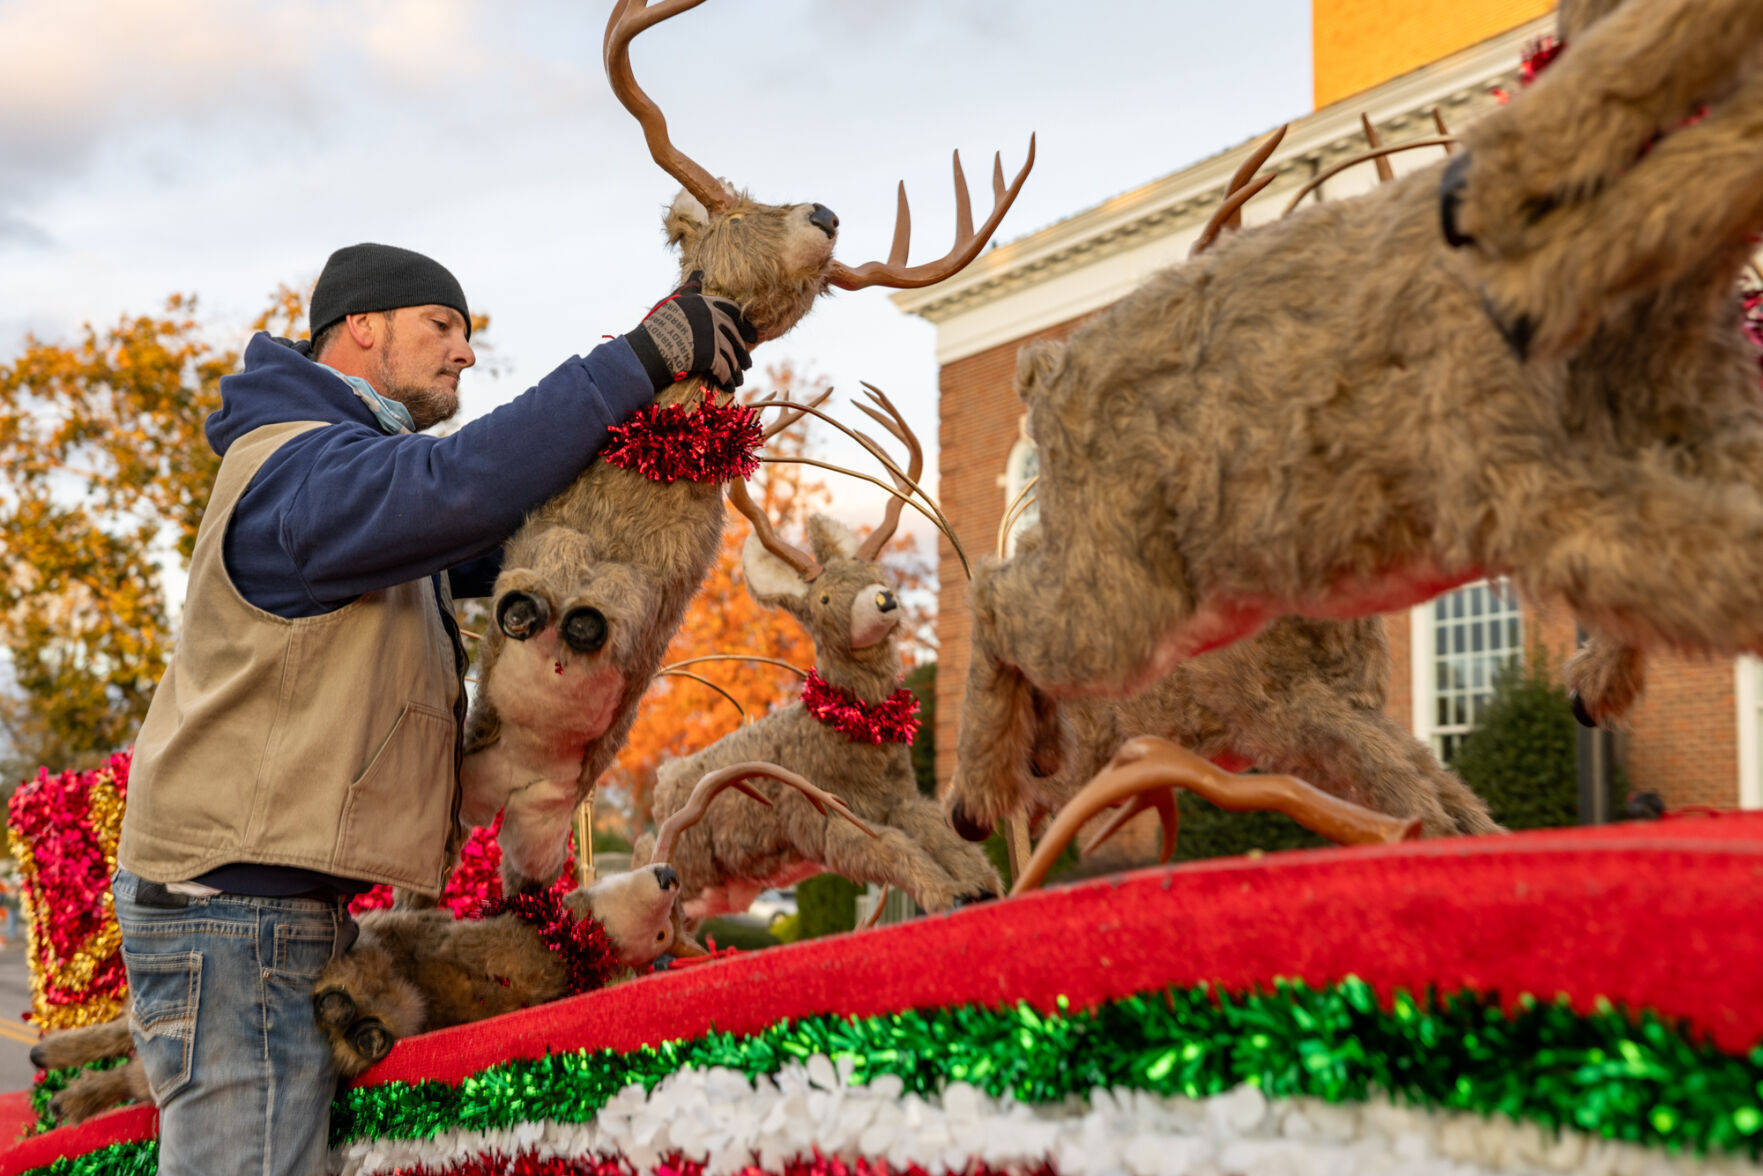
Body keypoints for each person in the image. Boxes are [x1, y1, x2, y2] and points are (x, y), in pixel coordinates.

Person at [112, 243, 756, 1176]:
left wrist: (663, 441)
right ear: (361, 328)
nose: (463, 353)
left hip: (264, 916)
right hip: (234, 922)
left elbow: (512, 535)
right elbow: (461, 487)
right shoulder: (301, 471)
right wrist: (635, 361)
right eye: (441, 326)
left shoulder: (356, 487)